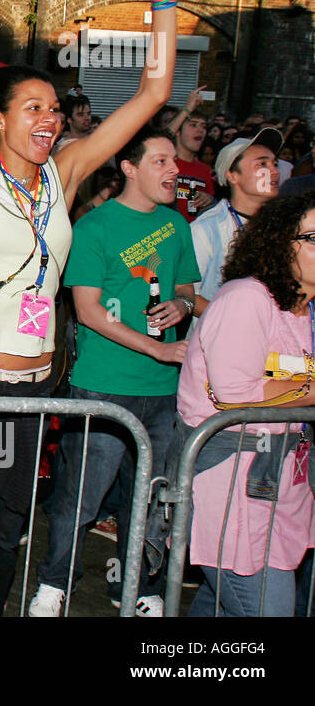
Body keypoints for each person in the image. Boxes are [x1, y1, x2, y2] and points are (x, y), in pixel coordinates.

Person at [0, 0, 179, 616]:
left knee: (4, 536)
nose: (49, 119)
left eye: (55, 109)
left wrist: (164, 1)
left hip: (32, 392)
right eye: (32, 107)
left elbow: (152, 93)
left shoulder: (63, 176)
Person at [28, 128, 199, 618]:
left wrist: (182, 303)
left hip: (163, 393)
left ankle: (138, 586)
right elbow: (88, 310)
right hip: (103, 387)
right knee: (79, 499)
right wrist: (158, 349)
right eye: (162, 161)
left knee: (148, 500)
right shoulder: (95, 228)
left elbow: (187, 285)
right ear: (130, 167)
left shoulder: (176, 225)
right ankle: (54, 585)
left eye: (174, 161)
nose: (174, 170)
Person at [178, 191, 315, 616]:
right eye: (313, 237)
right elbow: (234, 393)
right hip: (232, 484)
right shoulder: (246, 299)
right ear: (279, 243)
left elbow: (280, 379)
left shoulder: (301, 311)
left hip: (276, 487)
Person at [187, 127, 283, 327]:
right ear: (232, 175)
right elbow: (188, 294)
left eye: (275, 163)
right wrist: (239, 322)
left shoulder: (283, 225)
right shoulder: (205, 229)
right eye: (262, 164)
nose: (274, 171)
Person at [167, 86, 214, 221]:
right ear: (178, 132)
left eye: (203, 126)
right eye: (193, 125)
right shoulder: (165, 164)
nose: (200, 130)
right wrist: (187, 108)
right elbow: (163, 136)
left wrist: (209, 199)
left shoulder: (205, 170)